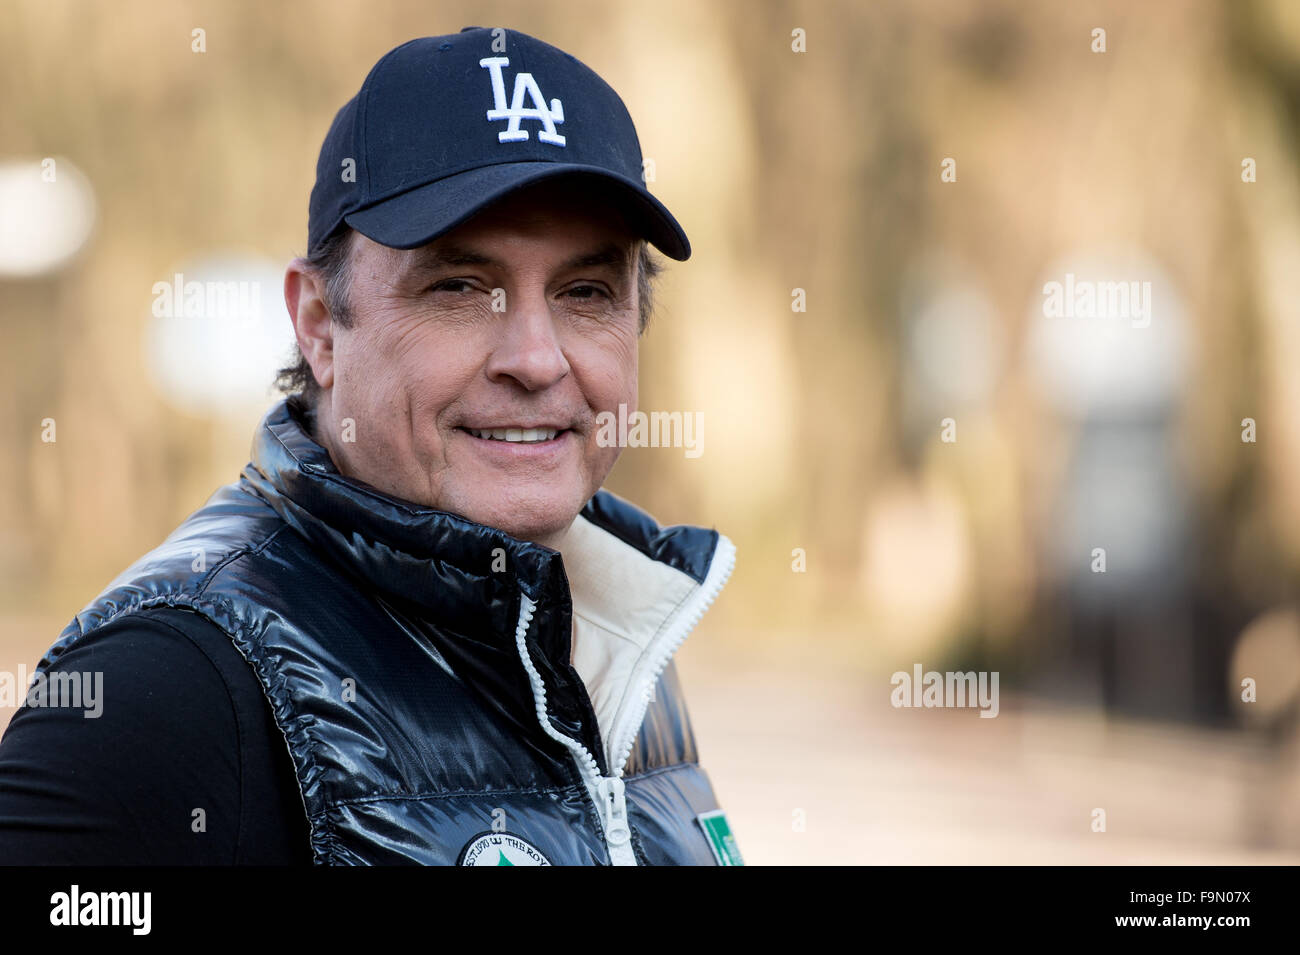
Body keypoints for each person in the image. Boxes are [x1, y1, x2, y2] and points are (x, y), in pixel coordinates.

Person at [0, 26, 741, 866]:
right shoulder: (166, 692)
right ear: (318, 323)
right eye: (460, 287)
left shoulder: (617, 639)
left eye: (586, 291)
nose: (536, 359)